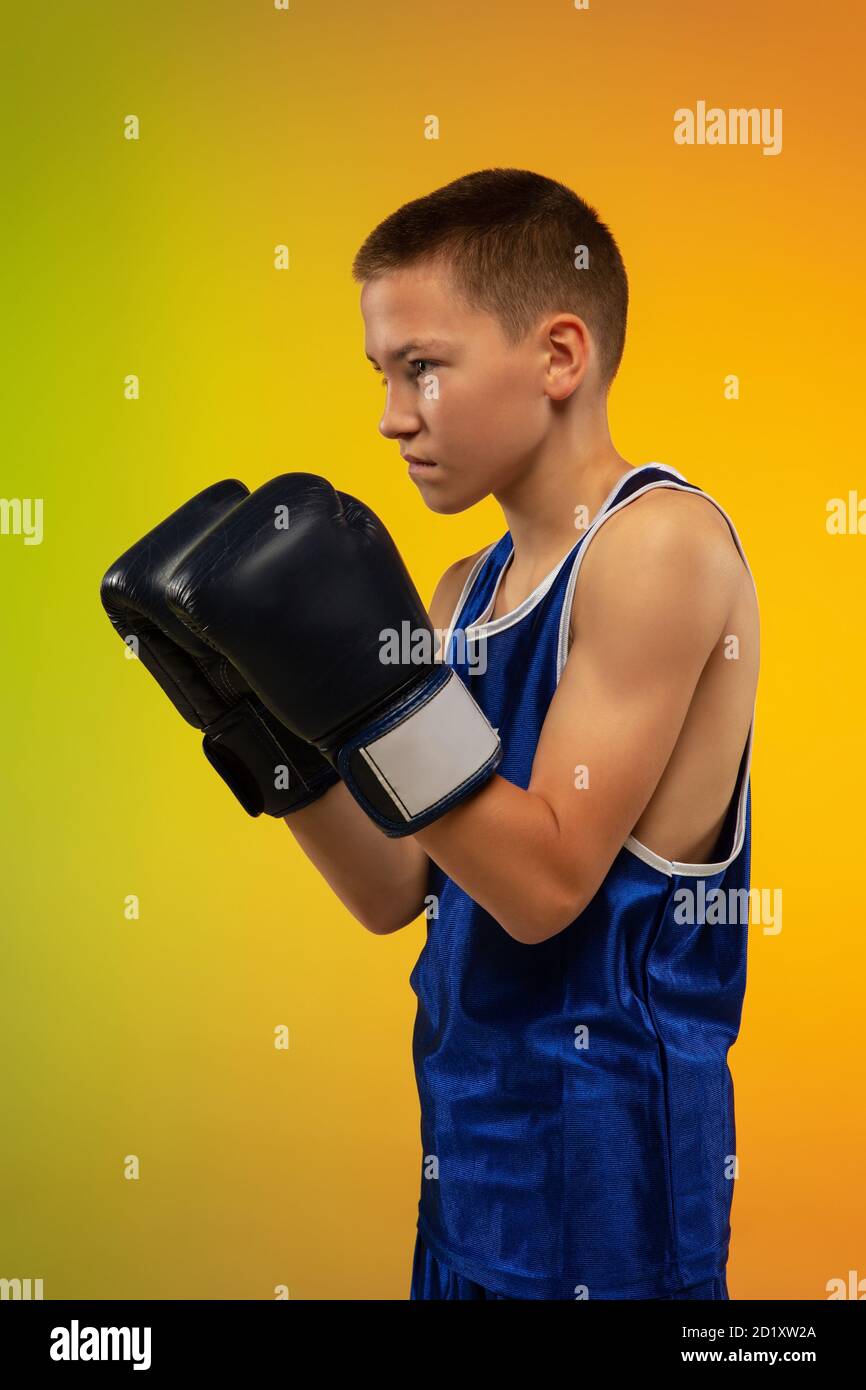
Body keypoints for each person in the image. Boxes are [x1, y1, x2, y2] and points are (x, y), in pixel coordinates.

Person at [104, 168, 759, 1300]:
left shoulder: (657, 548)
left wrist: (370, 702)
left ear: (559, 356)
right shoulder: (464, 589)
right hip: (467, 1157)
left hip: (611, 1179)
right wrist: (258, 725)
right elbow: (395, 888)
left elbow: (546, 880)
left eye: (423, 368)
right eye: (381, 372)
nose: (391, 415)